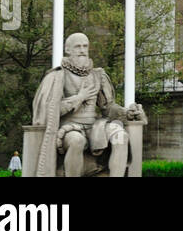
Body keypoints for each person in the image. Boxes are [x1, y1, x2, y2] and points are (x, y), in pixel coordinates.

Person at [31, 32, 143, 177]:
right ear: (68, 49)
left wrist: (126, 112)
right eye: (78, 46)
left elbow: (107, 107)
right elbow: (50, 111)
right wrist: (79, 98)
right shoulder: (57, 76)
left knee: (121, 137)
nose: (82, 50)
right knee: (77, 141)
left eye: (85, 46)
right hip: (69, 128)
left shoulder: (98, 75)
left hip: (95, 127)